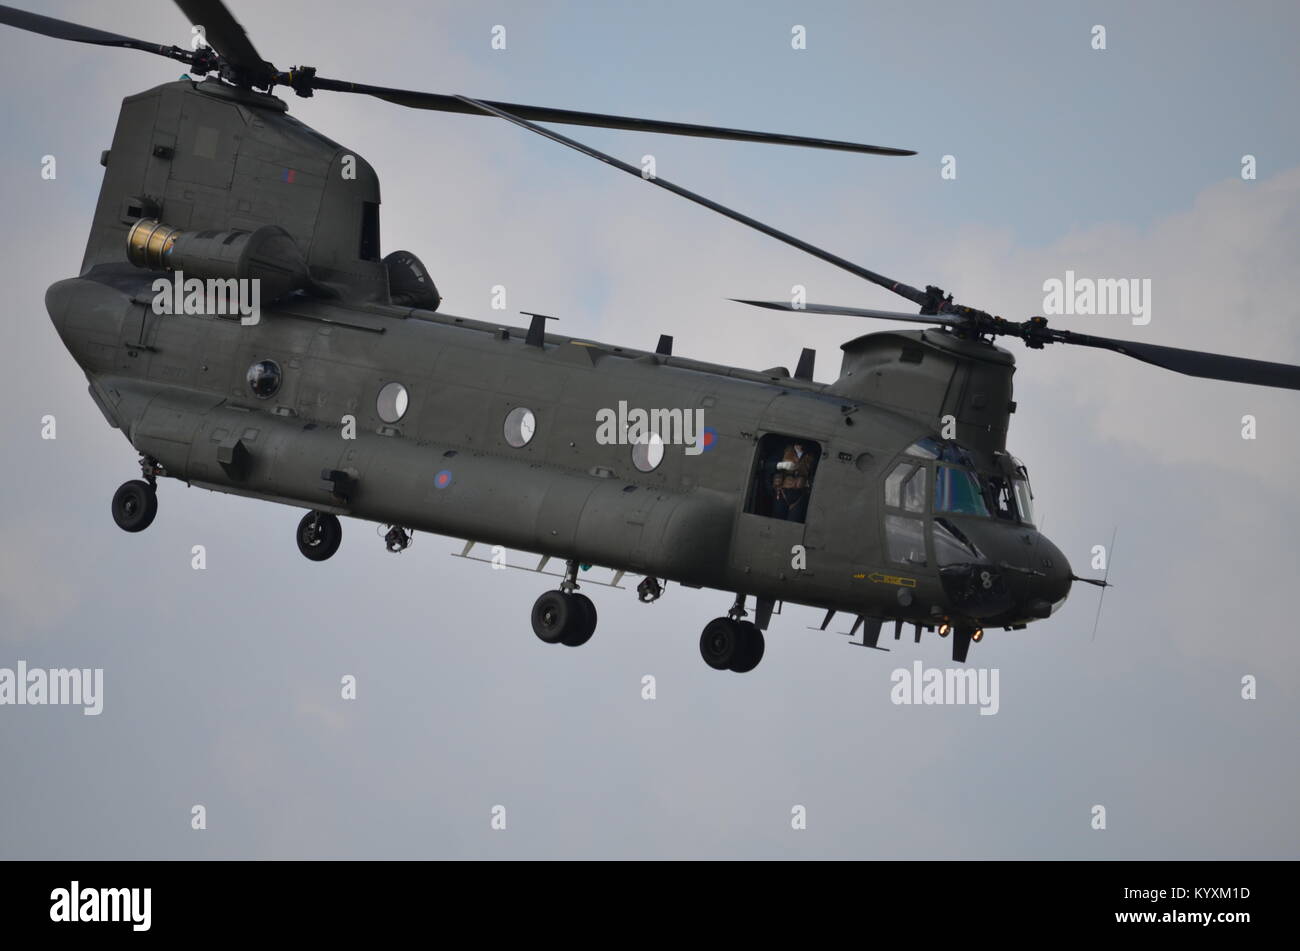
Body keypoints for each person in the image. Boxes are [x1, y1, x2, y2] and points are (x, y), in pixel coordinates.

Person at [772, 440, 815, 522]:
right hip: (781, 492)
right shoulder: (785, 449)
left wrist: (808, 482)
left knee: (793, 523)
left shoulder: (811, 454)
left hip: (799, 495)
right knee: (776, 521)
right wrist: (782, 465)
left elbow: (813, 473)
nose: (800, 446)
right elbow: (769, 464)